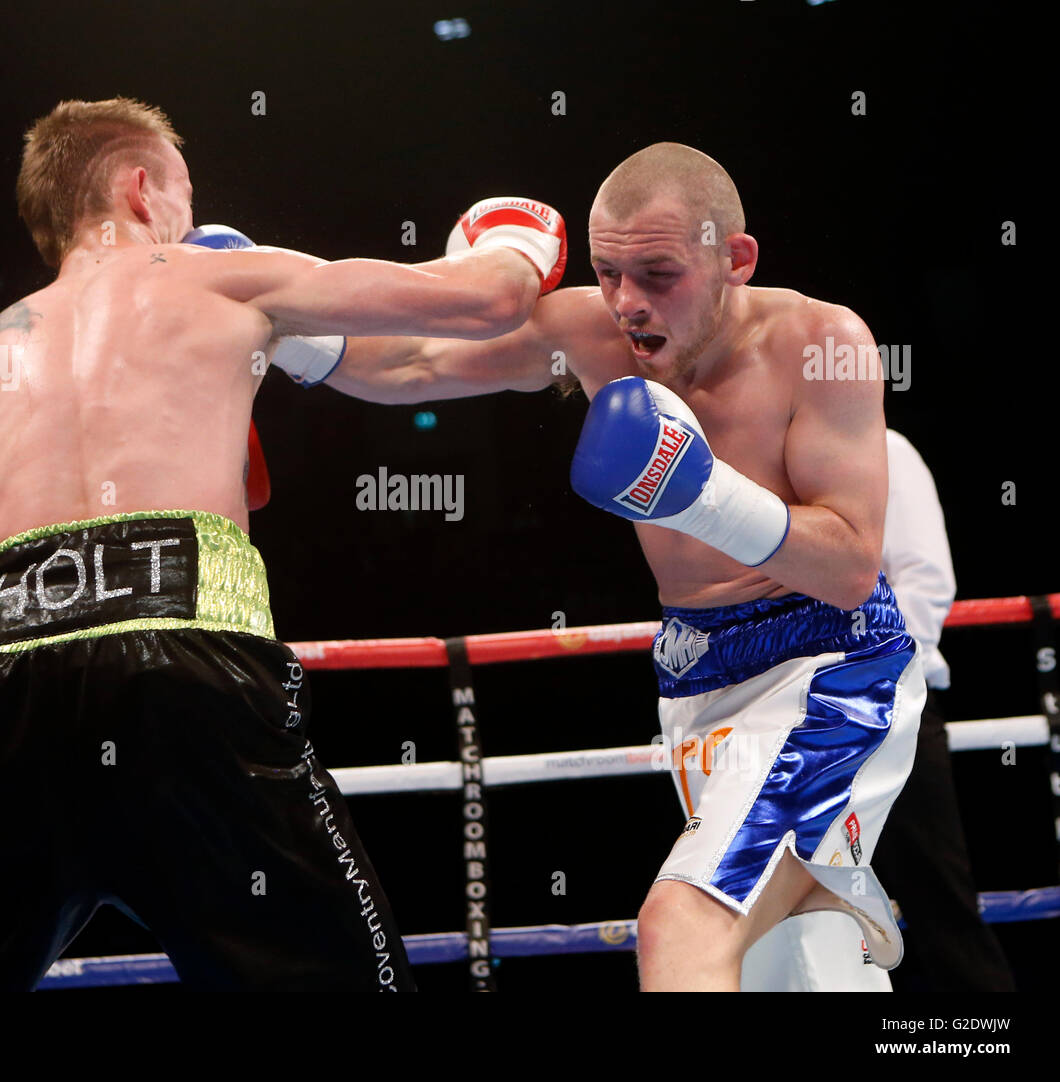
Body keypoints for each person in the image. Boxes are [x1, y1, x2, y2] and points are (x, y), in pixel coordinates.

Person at [0, 96, 568, 992]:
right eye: (183, 191)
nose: (190, 214)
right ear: (140, 190)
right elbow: (484, 303)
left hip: (8, 703)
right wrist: (513, 236)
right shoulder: (215, 278)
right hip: (189, 681)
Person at [324, 142, 924, 991]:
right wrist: (269, 318)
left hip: (831, 672)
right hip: (694, 679)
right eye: (608, 272)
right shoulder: (592, 331)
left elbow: (854, 565)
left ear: (736, 260)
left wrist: (703, 492)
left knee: (683, 921)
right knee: (790, 962)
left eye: (658, 273)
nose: (627, 303)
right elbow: (411, 362)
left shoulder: (821, 342)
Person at [742, 429, 1015, 990]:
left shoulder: (884, 450)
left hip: (892, 711)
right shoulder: (756, 462)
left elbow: (926, 579)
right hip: (788, 720)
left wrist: (872, 680)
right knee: (802, 907)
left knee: (937, 898)